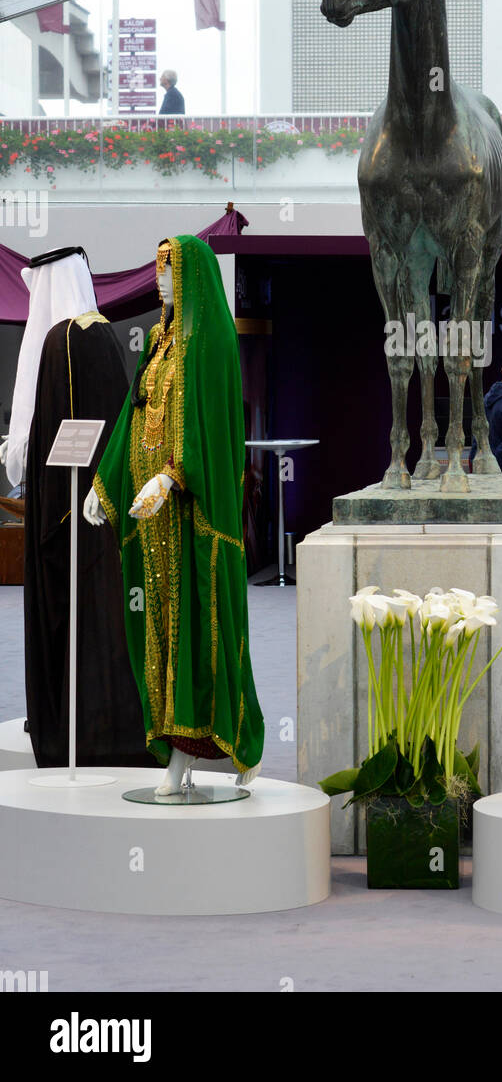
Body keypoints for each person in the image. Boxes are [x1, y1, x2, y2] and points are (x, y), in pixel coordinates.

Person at [84, 235, 264, 794]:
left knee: (200, 632)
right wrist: (104, 482)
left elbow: (215, 435)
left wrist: (172, 476)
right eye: (160, 270)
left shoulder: (209, 345)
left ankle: (218, 750)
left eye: (171, 271)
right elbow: (131, 417)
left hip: (192, 524)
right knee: (158, 633)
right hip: (151, 525)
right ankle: (176, 751)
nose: (160, 280)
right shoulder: (158, 342)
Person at [1, 247, 152, 767]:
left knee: (72, 617)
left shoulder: (62, 339)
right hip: (102, 508)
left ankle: (69, 723)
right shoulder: (104, 333)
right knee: (109, 615)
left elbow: (51, 437)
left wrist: (48, 508)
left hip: (67, 514)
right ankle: (114, 723)